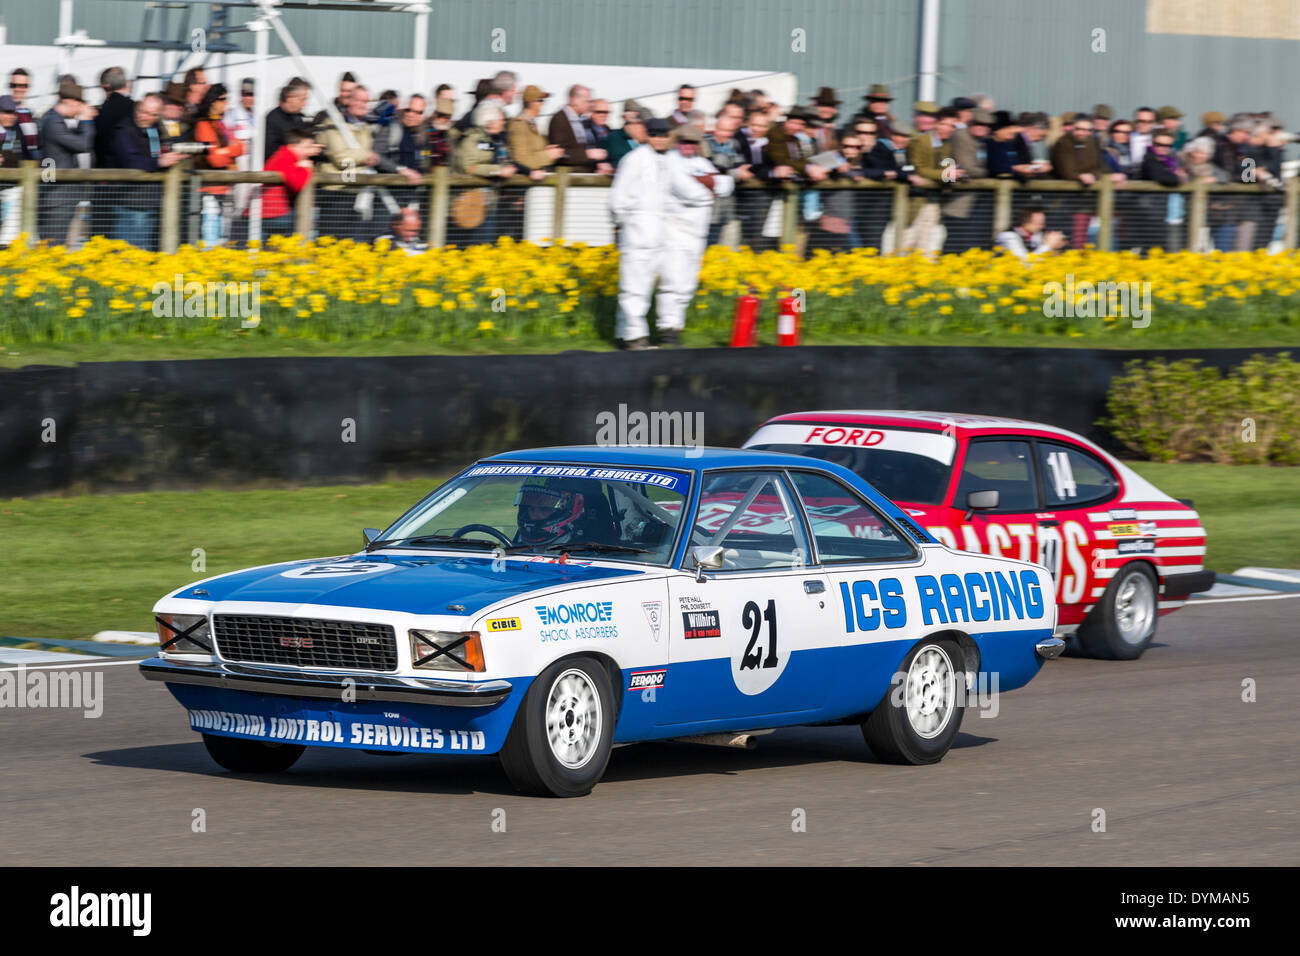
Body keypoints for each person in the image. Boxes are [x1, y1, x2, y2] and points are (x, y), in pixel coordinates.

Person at [656, 124, 734, 346]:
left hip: (698, 232)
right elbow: (687, 192)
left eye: (693, 142)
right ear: (677, 141)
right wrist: (710, 188)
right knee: (672, 280)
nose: (688, 146)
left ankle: (676, 326)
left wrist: (706, 184)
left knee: (688, 282)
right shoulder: (670, 161)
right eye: (684, 141)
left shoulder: (700, 162)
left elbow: (727, 184)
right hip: (675, 230)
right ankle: (667, 328)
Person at [609, 117, 672, 349]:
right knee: (634, 286)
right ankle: (635, 337)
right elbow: (618, 198)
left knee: (643, 286)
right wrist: (623, 225)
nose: (659, 139)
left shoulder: (665, 161)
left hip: (656, 233)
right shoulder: (634, 159)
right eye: (655, 134)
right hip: (637, 230)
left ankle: (624, 333)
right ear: (647, 135)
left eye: (663, 135)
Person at [111, 93, 185, 248]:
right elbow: (131, 161)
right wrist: (160, 161)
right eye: (142, 111)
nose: (144, 117)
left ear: (158, 116)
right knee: (127, 256)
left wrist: (168, 155)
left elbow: (155, 153)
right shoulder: (123, 129)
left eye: (151, 115)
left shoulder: (154, 131)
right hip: (130, 203)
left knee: (145, 253)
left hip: (151, 202)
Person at [39, 79, 98, 247]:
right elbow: (83, 145)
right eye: (81, 104)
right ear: (72, 102)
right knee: (53, 248)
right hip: (57, 197)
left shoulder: (55, 120)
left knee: (56, 247)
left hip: (61, 196)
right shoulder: (53, 123)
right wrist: (86, 120)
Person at [191, 84, 246, 246]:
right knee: (210, 240)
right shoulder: (204, 125)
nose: (226, 103)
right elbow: (215, 159)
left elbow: (241, 147)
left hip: (223, 189)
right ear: (212, 101)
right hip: (209, 192)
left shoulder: (221, 124)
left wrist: (225, 151)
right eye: (222, 99)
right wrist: (230, 151)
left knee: (221, 238)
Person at [253, 127, 320, 237]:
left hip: (269, 211)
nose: (309, 152)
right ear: (292, 146)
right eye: (306, 147)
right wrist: (305, 169)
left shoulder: (285, 156)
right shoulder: (285, 157)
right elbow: (296, 185)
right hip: (272, 212)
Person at [547, 85, 610, 172]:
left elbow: (580, 151)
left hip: (583, 174)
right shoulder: (559, 119)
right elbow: (559, 155)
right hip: (569, 178)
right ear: (574, 100)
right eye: (586, 101)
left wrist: (598, 164)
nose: (589, 105)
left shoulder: (580, 119)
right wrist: (588, 154)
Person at [507, 85, 565, 177]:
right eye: (541, 100)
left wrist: (546, 149)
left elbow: (532, 150)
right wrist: (548, 155)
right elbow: (521, 161)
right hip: (525, 183)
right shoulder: (519, 125)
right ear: (533, 102)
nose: (543, 104)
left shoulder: (531, 123)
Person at [265, 79, 313, 161]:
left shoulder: (301, 118)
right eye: (302, 99)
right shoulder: (272, 120)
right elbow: (270, 153)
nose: (305, 104)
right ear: (289, 97)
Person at [996, 205, 1065, 262]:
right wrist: (1048, 245)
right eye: (1039, 224)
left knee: (1069, 275)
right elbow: (1024, 263)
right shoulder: (1008, 236)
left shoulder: (1036, 235)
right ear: (1025, 222)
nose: (1042, 226)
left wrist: (1055, 248)